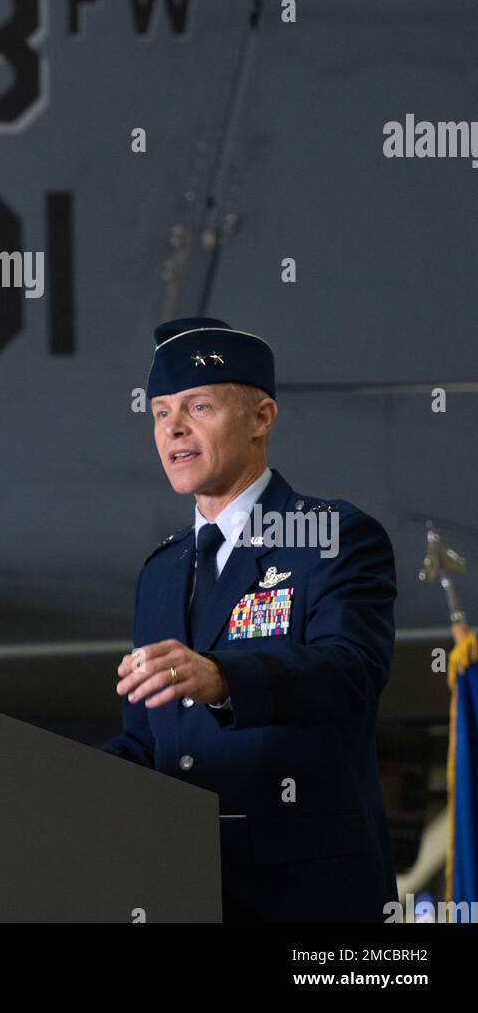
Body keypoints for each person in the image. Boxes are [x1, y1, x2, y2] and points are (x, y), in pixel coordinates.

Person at [103, 316, 398, 923]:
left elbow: (351, 673)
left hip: (309, 899)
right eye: (160, 413)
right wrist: (45, 777)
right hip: (185, 892)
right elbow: (148, 739)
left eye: (198, 407)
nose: (173, 429)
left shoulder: (330, 534)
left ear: (261, 417)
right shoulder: (161, 571)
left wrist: (223, 677)